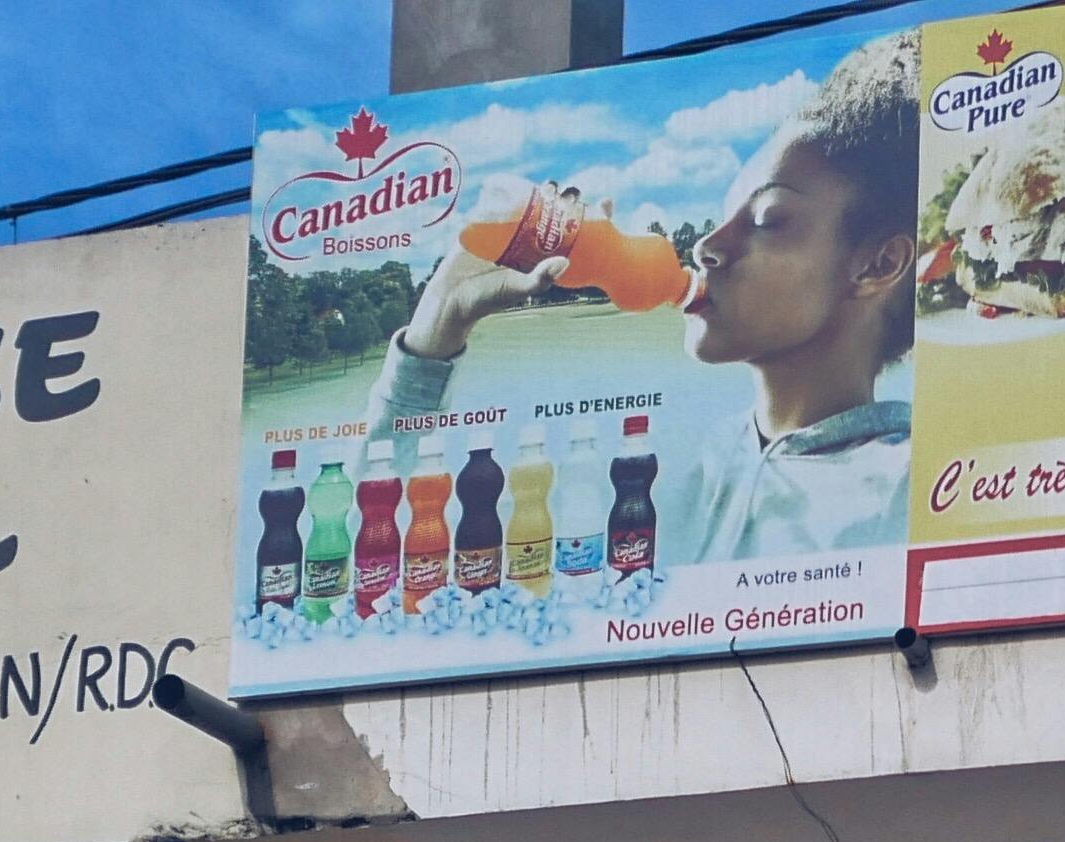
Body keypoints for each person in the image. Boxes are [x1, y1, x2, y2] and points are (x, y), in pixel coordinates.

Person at [371, 31, 919, 577]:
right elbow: (365, 565)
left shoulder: (912, 486)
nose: (706, 246)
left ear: (878, 266)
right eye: (722, 216)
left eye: (767, 220)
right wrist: (438, 322)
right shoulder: (657, 463)